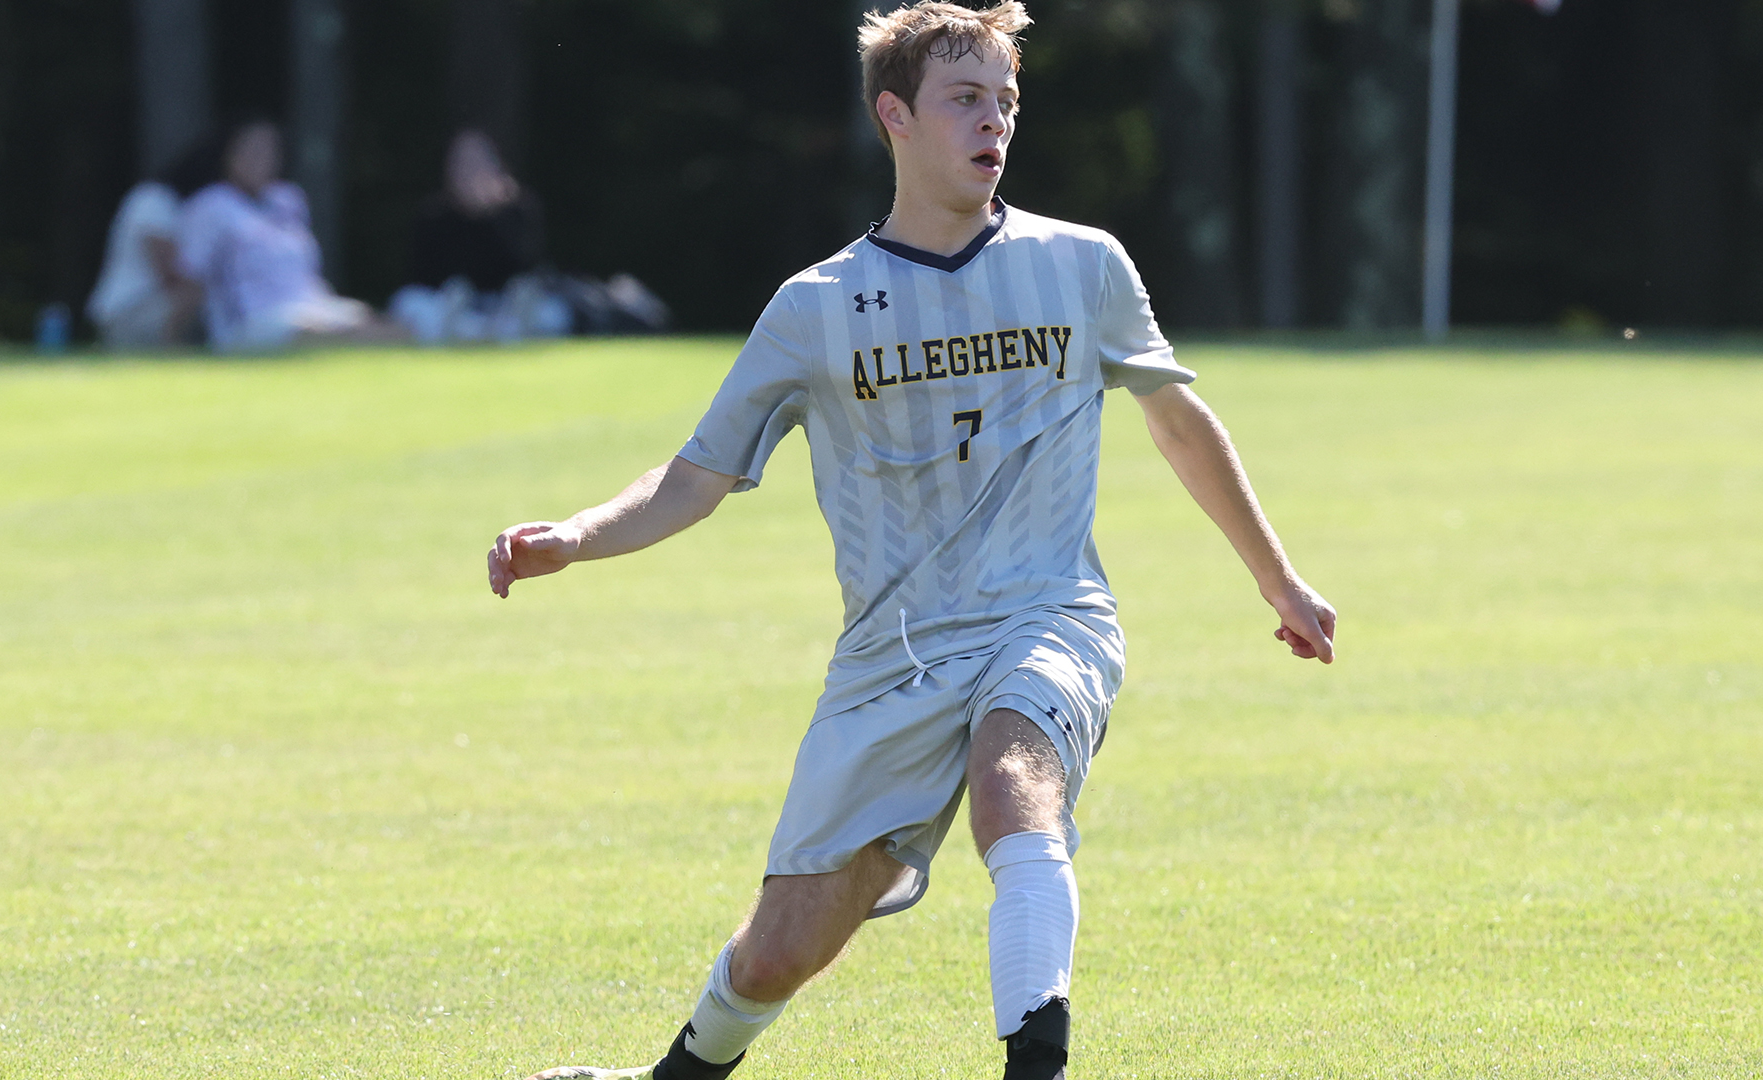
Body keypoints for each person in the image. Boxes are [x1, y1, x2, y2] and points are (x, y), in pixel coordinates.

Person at [487, 4, 1336, 1078]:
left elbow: (1177, 422)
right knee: (780, 952)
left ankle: (1036, 1060)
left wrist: (1278, 580)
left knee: (1014, 783)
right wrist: (575, 536)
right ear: (895, 115)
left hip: (1048, 613)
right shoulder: (816, 308)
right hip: (892, 657)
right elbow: (695, 477)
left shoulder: (1083, 265)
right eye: (965, 99)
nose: (995, 123)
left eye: (1006, 102)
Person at [179, 118, 403, 350]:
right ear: (229, 153)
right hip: (254, 320)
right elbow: (192, 278)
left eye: (269, 150)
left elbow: (306, 273)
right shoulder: (210, 205)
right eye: (251, 149)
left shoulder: (287, 199)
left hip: (311, 307)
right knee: (337, 335)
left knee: (394, 328)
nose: (260, 158)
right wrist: (172, 335)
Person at [391, 128, 569, 343]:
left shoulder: (519, 210)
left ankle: (498, 330)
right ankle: (483, 333)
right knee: (409, 302)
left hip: (504, 304)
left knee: (554, 312)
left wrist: (492, 216)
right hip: (450, 306)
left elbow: (525, 267)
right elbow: (422, 277)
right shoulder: (433, 215)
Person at [85, 141, 215, 349]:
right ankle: (170, 350)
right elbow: (169, 272)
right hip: (127, 310)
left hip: (146, 307)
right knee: (195, 294)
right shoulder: (154, 199)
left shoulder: (172, 206)